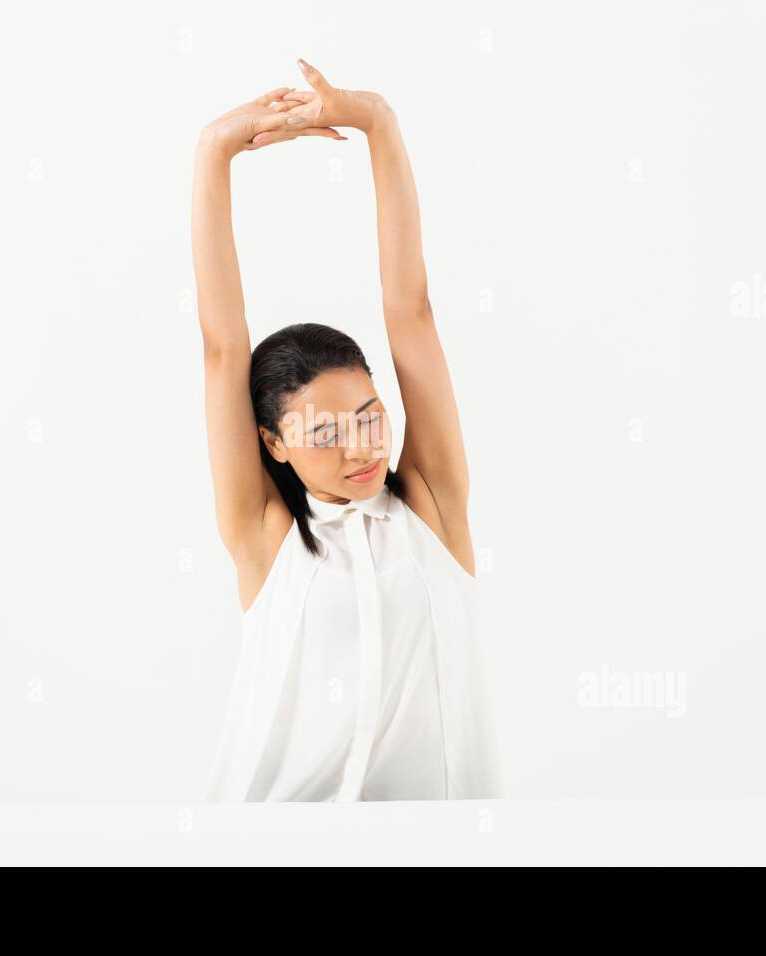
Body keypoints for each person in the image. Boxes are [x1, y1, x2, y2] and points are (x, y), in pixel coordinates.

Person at [192, 59, 503, 802]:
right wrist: (213, 151)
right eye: (325, 434)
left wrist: (377, 121)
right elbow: (222, 349)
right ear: (274, 444)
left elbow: (411, 310)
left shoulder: (431, 510)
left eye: (368, 419)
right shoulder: (264, 539)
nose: (362, 448)